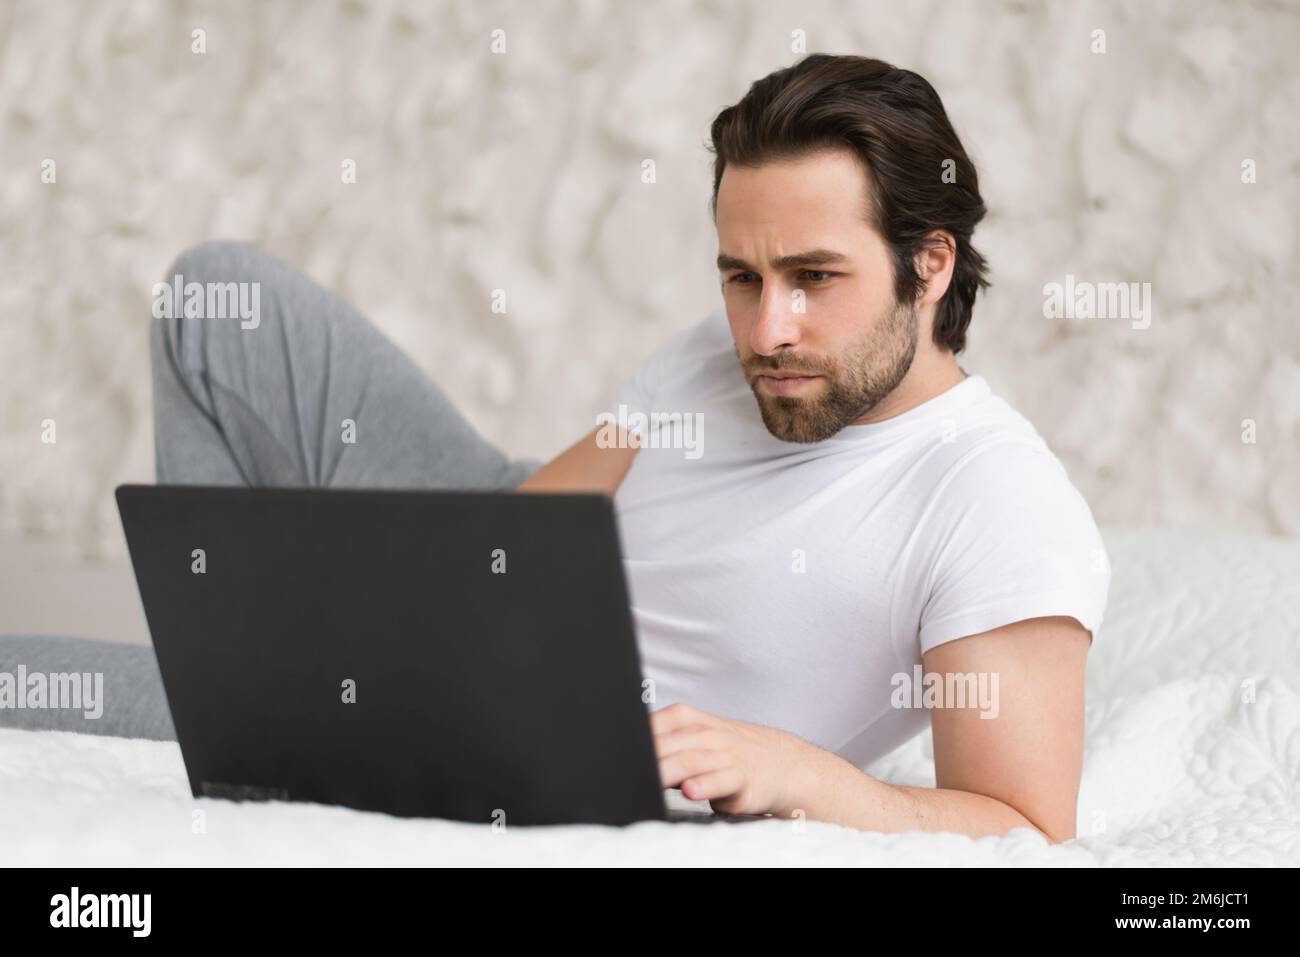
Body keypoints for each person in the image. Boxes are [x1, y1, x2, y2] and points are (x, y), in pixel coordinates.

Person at [11, 54, 1110, 841]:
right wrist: (350, 612)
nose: (763, 329)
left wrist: (800, 774)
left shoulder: (993, 500)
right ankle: (228, 675)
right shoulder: (721, 355)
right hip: (507, 579)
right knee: (220, 299)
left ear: (929, 265)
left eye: (813, 279)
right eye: (740, 276)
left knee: (25, 679)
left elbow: (1017, 825)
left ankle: (226, 705)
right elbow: (525, 520)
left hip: (567, 719)